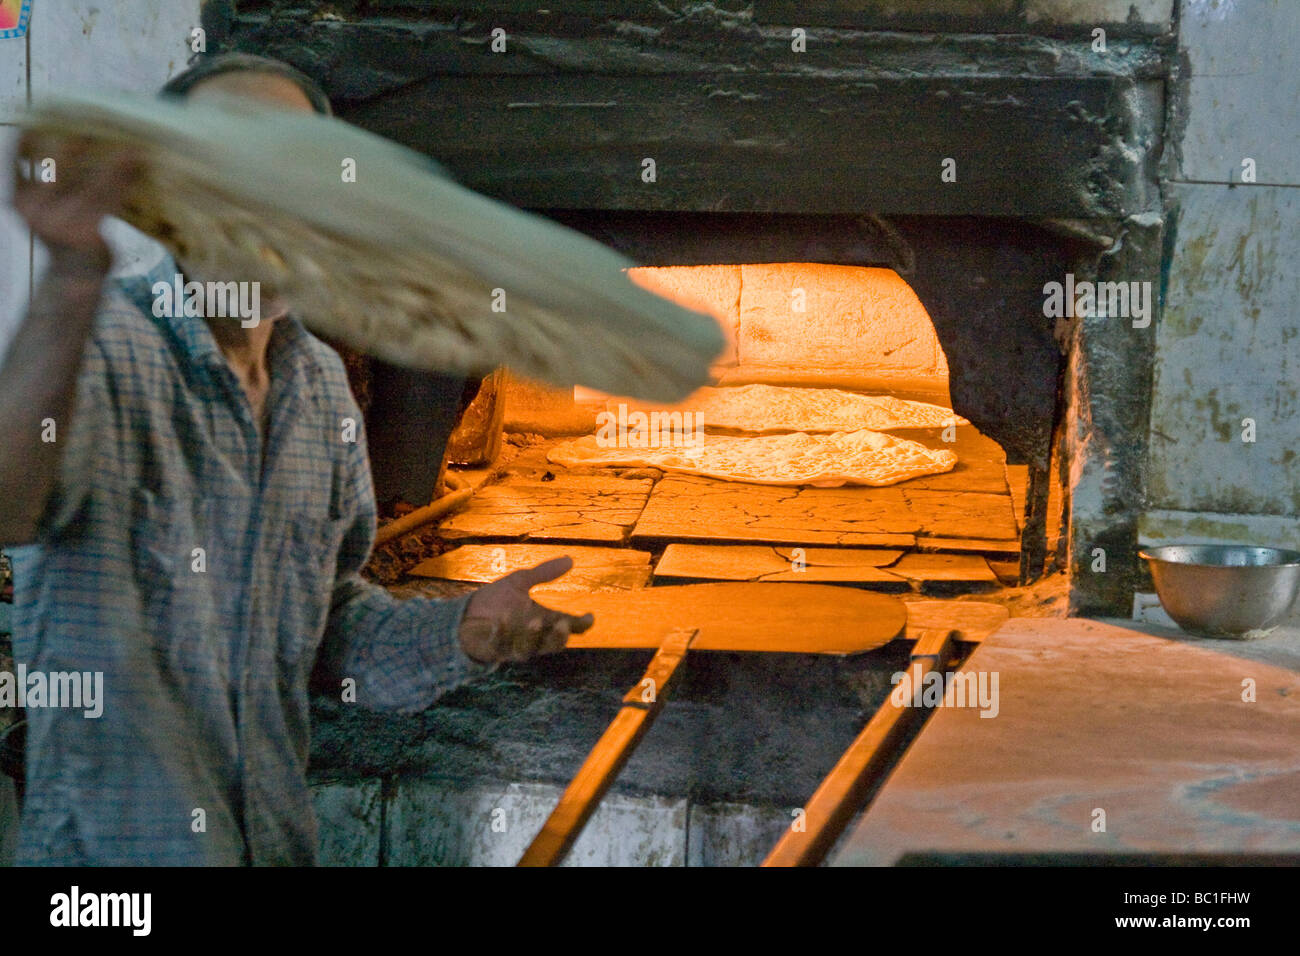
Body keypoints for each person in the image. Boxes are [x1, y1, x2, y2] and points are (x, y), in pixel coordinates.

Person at [0, 53, 592, 865]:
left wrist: (462, 634)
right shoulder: (101, 350)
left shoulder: (318, 389)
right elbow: (10, 504)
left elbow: (331, 628)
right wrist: (69, 278)